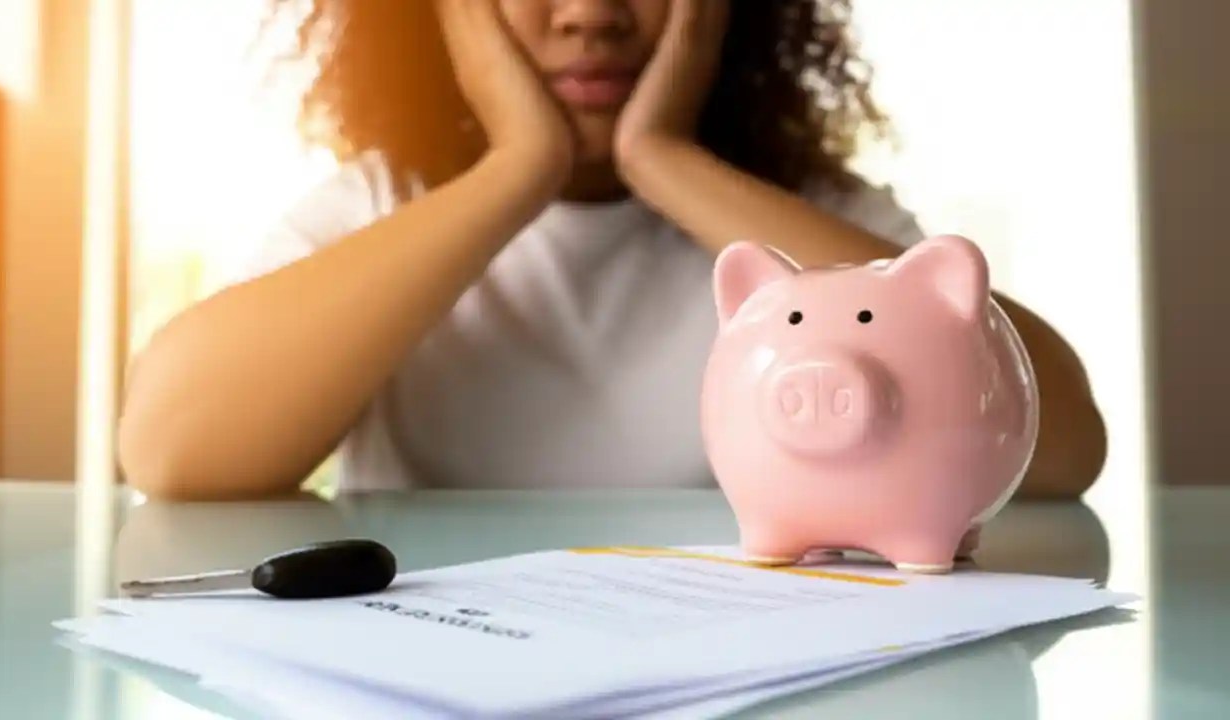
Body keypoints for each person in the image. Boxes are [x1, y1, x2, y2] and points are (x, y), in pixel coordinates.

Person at [118, 0, 1107, 501]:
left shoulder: (809, 216)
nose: (589, 11)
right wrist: (520, 168)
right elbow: (169, 450)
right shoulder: (383, 210)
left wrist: (660, 159)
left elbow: (1059, 448)